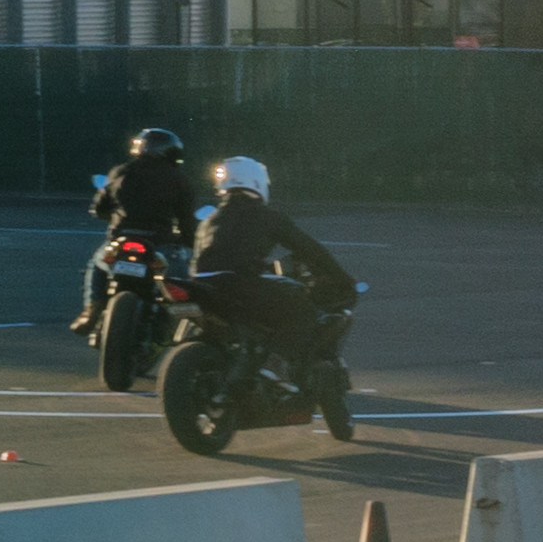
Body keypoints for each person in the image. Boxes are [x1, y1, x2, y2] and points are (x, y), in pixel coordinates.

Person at [188, 155, 358, 371]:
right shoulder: (267, 216)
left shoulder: (209, 219)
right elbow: (310, 249)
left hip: (201, 285)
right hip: (240, 286)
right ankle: (275, 363)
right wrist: (341, 277)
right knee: (302, 310)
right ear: (257, 182)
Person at [72, 126, 199, 337]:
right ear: (170, 152)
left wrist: (112, 215)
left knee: (97, 265)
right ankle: (164, 330)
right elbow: (187, 222)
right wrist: (190, 241)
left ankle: (92, 310)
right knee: (178, 283)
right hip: (160, 242)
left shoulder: (120, 172)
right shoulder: (179, 180)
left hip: (122, 237)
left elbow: (100, 208)